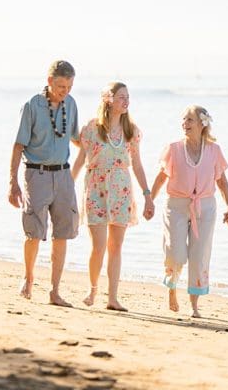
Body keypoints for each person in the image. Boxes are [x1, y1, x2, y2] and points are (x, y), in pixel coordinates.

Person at [71, 82, 155, 312]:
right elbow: (80, 160)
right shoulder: (91, 128)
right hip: (95, 190)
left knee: (116, 246)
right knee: (98, 246)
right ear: (109, 100)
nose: (126, 101)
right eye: (121, 97)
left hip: (121, 191)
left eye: (128, 97)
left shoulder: (132, 132)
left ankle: (113, 298)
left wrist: (148, 195)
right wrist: (68, 187)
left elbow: (137, 165)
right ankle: (93, 289)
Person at [149, 105, 228, 318]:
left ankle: (194, 305)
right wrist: (149, 201)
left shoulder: (214, 150)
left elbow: (222, 182)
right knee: (176, 253)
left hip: (205, 207)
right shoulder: (174, 149)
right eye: (184, 120)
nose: (184, 124)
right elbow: (161, 178)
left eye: (189, 120)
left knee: (199, 256)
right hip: (177, 205)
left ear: (202, 124)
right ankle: (172, 288)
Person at [8, 60, 80, 307]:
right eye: (61, 86)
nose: (65, 91)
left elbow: (76, 138)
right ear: (49, 81)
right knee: (34, 233)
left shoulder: (71, 104)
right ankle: (28, 278)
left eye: (69, 86)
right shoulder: (32, 106)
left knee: (63, 233)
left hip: (63, 176)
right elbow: (18, 145)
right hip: (36, 175)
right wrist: (12, 183)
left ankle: (55, 291)